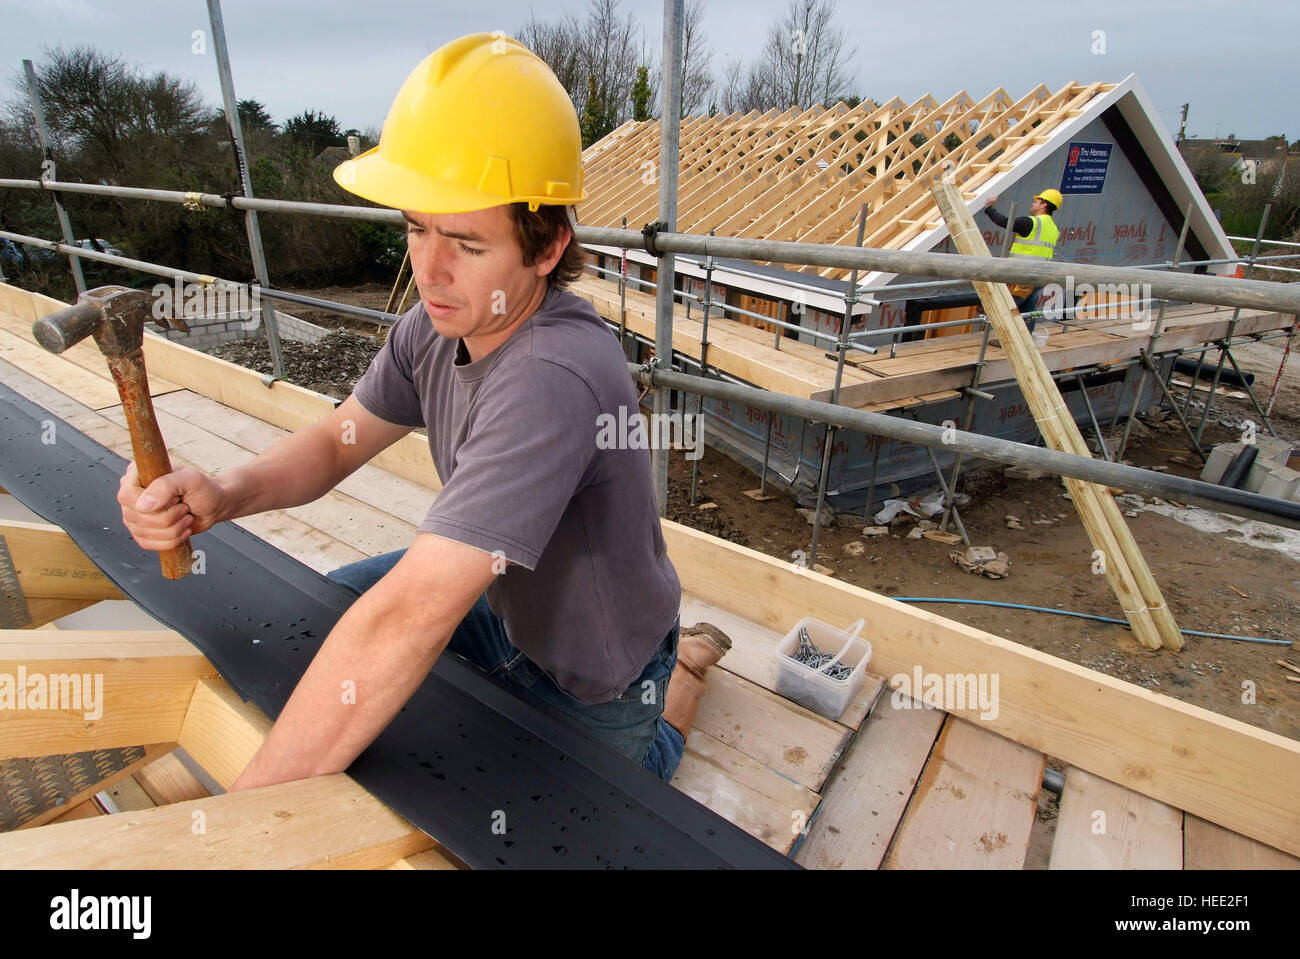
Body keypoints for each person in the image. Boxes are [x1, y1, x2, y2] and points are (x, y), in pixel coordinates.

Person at [117, 33, 729, 789]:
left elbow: (408, 617)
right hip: (500, 607)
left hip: (592, 674)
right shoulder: (436, 324)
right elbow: (338, 442)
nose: (429, 270)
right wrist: (224, 493)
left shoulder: (555, 376)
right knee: (316, 616)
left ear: (546, 248)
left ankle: (685, 674)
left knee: (611, 797)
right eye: (416, 227)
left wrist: (242, 833)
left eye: (466, 243)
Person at [983, 188, 1062, 331]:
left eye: (1036, 201)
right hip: (1039, 276)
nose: (1033, 203)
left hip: (1022, 276)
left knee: (1007, 308)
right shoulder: (1053, 228)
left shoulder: (1032, 223)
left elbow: (1005, 222)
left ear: (1044, 205)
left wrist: (989, 207)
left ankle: (1007, 341)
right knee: (1028, 311)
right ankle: (1026, 340)